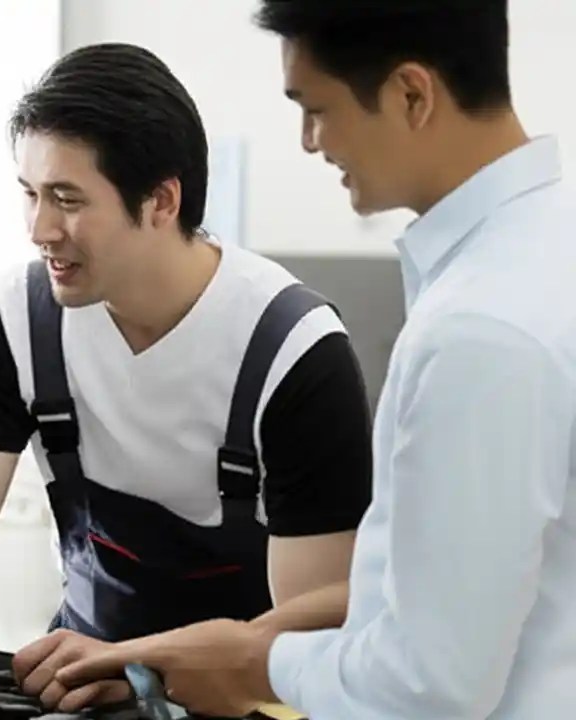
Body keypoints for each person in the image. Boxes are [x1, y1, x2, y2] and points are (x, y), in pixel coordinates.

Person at [52, 2, 576, 718]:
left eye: (316, 108)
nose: (308, 143)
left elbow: (428, 686)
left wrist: (255, 664)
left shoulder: (479, 327)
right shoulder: (546, 255)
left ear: (411, 95)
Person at [0, 41, 375, 702]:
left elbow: (311, 630)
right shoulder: (13, 321)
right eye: (29, 193)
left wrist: (141, 670)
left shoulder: (294, 354)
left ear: (161, 201)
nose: (39, 228)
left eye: (66, 198)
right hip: (80, 688)